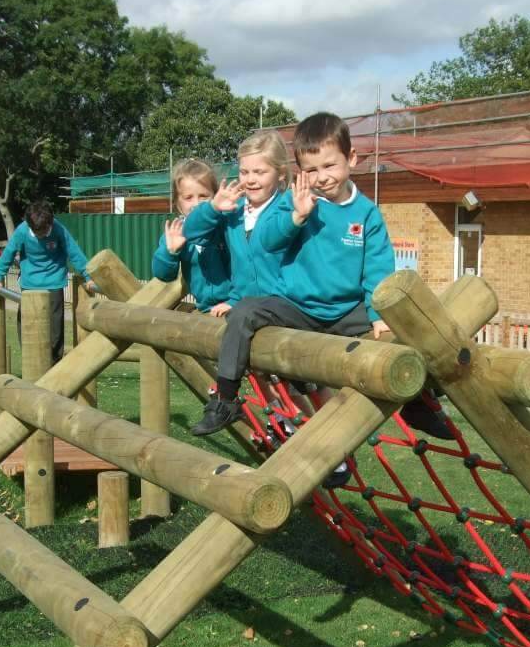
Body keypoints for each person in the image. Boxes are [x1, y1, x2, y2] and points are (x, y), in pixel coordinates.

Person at [190, 112, 452, 463]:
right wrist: (296, 217)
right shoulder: (294, 201)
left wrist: (377, 314)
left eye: (330, 165)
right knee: (245, 311)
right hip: (296, 305)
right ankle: (225, 399)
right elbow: (267, 241)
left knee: (408, 326)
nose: (322, 177)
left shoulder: (366, 214)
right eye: (311, 170)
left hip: (345, 311)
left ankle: (420, 403)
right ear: (299, 172)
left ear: (351, 159)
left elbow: (377, 269)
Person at [181, 129, 292, 309]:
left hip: (283, 307)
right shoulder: (233, 212)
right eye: (244, 172)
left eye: (259, 172)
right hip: (242, 307)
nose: (250, 179)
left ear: (281, 173)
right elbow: (191, 232)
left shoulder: (289, 208)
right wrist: (212, 208)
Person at [0, 200, 89, 363]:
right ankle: (30, 359)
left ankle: (54, 362)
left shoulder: (58, 229)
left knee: (55, 328)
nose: (41, 235)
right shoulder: (22, 231)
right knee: (27, 323)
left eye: (44, 231)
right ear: (29, 225)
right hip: (30, 284)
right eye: (37, 232)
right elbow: (8, 254)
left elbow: (75, 253)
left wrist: (88, 277)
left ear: (51, 222)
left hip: (54, 282)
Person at [150, 159, 233, 313]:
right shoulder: (177, 232)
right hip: (206, 308)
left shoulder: (225, 226)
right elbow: (163, 275)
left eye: (203, 196)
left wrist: (235, 300)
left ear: (215, 196)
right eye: (188, 197)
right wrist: (170, 252)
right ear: (177, 203)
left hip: (234, 303)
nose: (197, 203)